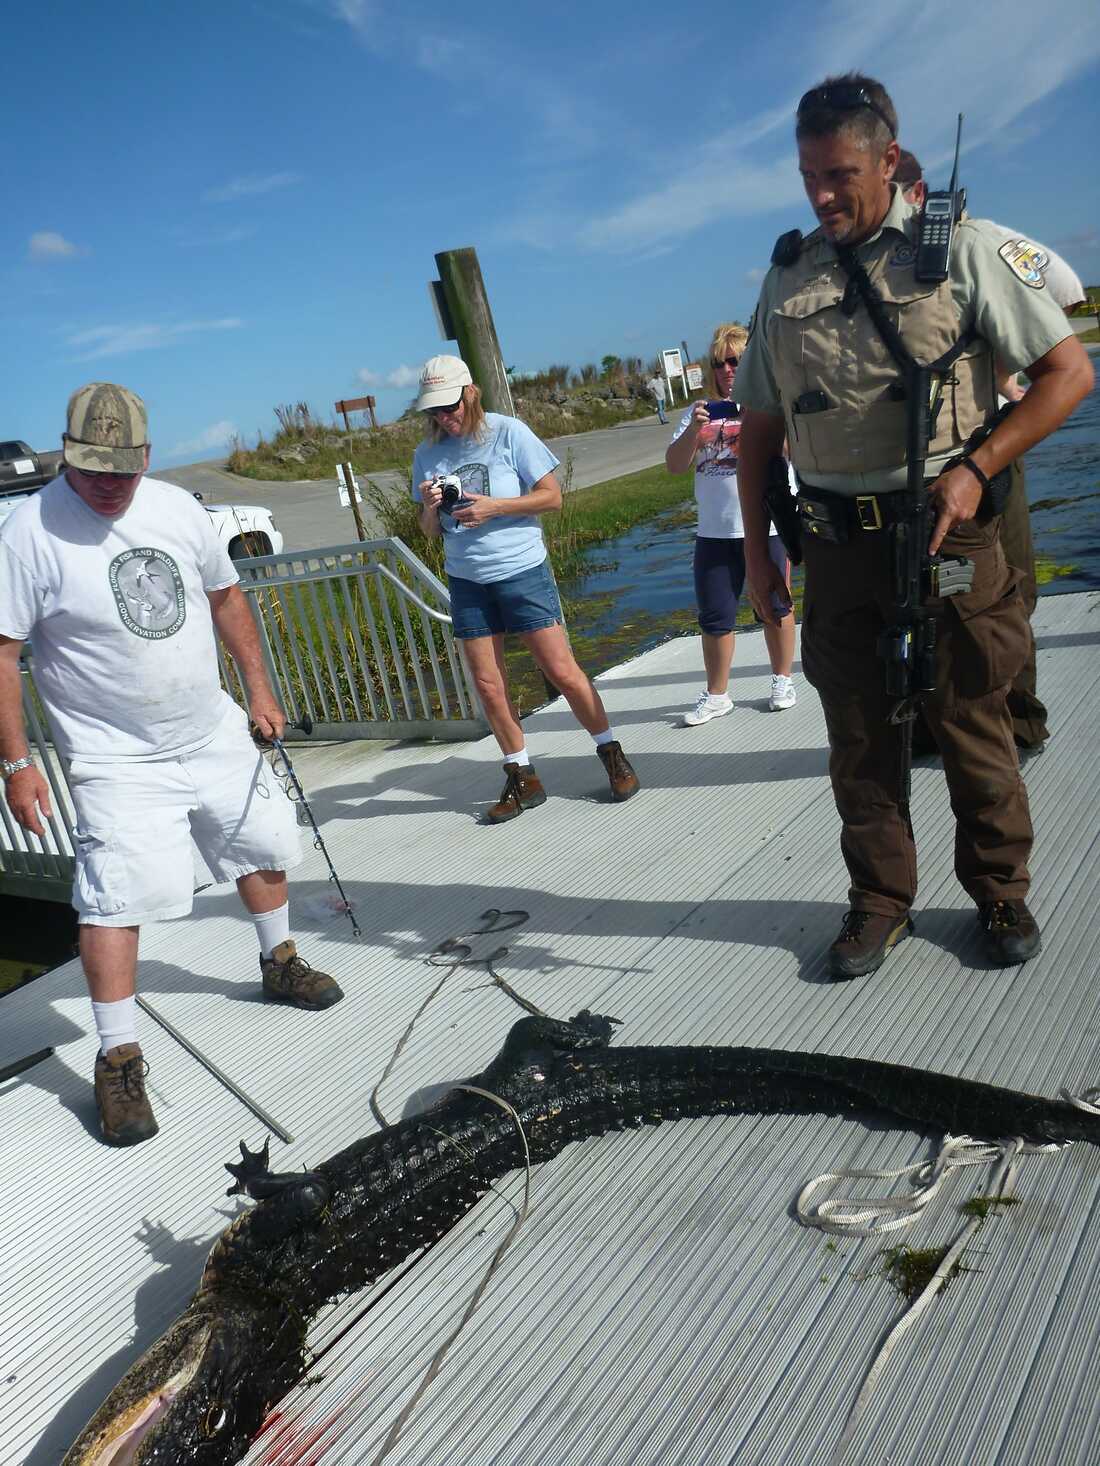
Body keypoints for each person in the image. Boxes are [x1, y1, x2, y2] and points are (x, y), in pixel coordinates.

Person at [735, 75, 1093, 979]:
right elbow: (760, 434)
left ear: (889, 160)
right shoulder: (787, 275)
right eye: (808, 175)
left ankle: (1001, 893)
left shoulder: (962, 249)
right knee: (856, 732)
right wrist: (757, 552)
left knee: (971, 715)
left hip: (947, 528)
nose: (822, 194)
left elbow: (1067, 375)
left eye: (840, 174)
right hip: (836, 545)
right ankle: (880, 902)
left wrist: (979, 467)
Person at [0, 383, 343, 1148]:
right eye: (91, 469)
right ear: (67, 451)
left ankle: (279, 961)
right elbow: (4, 653)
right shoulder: (28, 532)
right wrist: (17, 763)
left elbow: (225, 598)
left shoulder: (178, 508)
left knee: (264, 842)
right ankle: (118, 1055)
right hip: (114, 757)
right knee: (112, 899)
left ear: (146, 457)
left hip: (210, 727)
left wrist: (257, 688)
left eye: (121, 470)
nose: (106, 484)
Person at [897, 147, 1088, 753]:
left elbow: (1067, 292)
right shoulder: (884, 269)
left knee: (1009, 589)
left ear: (919, 194)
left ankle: (1021, 717)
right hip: (924, 467)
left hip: (991, 452)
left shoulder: (979, 245)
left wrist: (1005, 371)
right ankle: (938, 719)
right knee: (930, 600)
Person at [411, 355, 639, 821]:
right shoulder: (426, 453)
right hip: (467, 580)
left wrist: (495, 507)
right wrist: (430, 508)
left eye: (449, 406)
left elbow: (552, 497)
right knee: (489, 685)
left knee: (562, 671)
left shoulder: (509, 432)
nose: (443, 417)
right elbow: (429, 532)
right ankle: (522, 776)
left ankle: (610, 752)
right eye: (433, 411)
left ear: (470, 393)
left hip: (521, 570)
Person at [665, 323, 796, 724]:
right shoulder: (696, 413)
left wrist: (759, 421)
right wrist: (695, 435)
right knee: (715, 615)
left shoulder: (773, 405)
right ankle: (717, 694)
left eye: (735, 361)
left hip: (768, 526)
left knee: (776, 604)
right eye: (720, 363)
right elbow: (673, 465)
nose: (727, 370)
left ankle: (782, 679)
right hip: (715, 533)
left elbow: (797, 454)